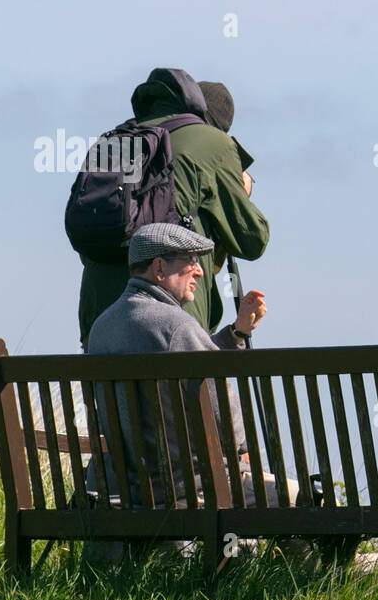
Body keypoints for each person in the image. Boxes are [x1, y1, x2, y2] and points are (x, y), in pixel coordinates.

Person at [86, 222, 293, 514]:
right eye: (190, 262)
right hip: (191, 489)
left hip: (129, 490)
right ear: (159, 268)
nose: (199, 271)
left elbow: (187, 355)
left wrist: (236, 333)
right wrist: (240, 452)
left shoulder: (102, 327)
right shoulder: (177, 325)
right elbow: (220, 404)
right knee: (309, 499)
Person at [77, 68, 269, 349]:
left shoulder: (116, 141)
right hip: (172, 327)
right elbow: (253, 240)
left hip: (99, 324)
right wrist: (241, 190)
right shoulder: (213, 144)